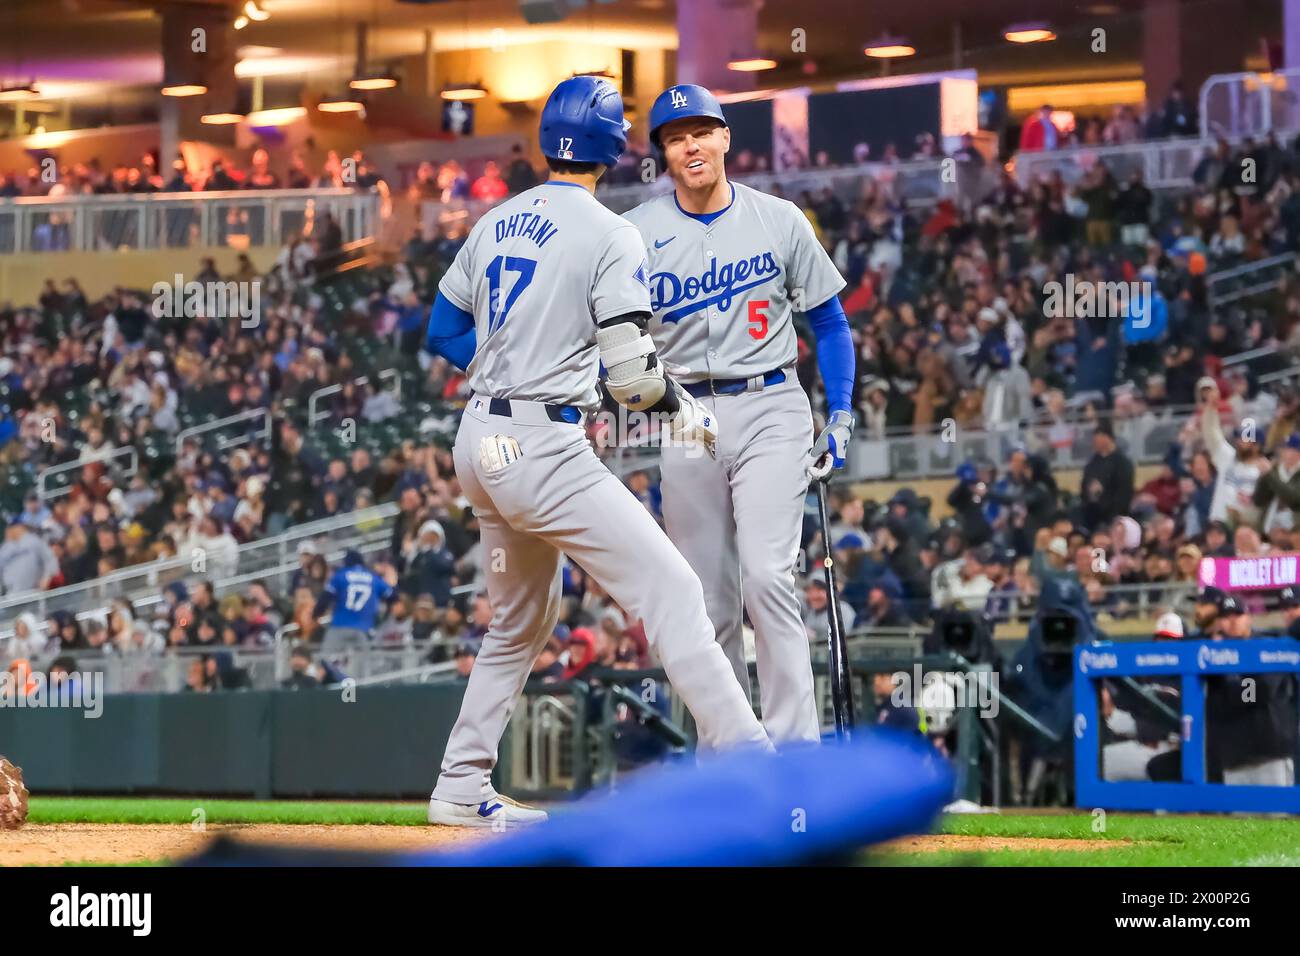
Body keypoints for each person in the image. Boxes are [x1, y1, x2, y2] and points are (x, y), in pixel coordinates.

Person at [421, 76, 771, 829]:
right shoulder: (613, 232)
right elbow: (637, 381)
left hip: (481, 439)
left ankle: (459, 784)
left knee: (518, 621)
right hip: (541, 446)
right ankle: (750, 762)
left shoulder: (496, 220)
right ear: (617, 148)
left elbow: (441, 334)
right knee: (672, 591)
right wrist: (690, 415)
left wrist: (513, 356)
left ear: (547, 138)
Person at [622, 84, 855, 746]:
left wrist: (839, 415)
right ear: (663, 153)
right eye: (674, 136)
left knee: (767, 577)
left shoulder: (780, 218)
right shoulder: (636, 233)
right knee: (707, 601)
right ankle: (728, 757)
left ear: (726, 138)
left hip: (772, 401)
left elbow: (830, 324)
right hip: (685, 412)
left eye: (701, 131)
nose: (690, 144)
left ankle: (795, 750)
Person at [312, 550, 396, 658]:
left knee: (326, 663)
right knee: (363, 669)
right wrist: (382, 620)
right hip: (363, 630)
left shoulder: (341, 575)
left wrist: (316, 615)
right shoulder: (373, 578)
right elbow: (393, 597)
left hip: (339, 626)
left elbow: (325, 598)